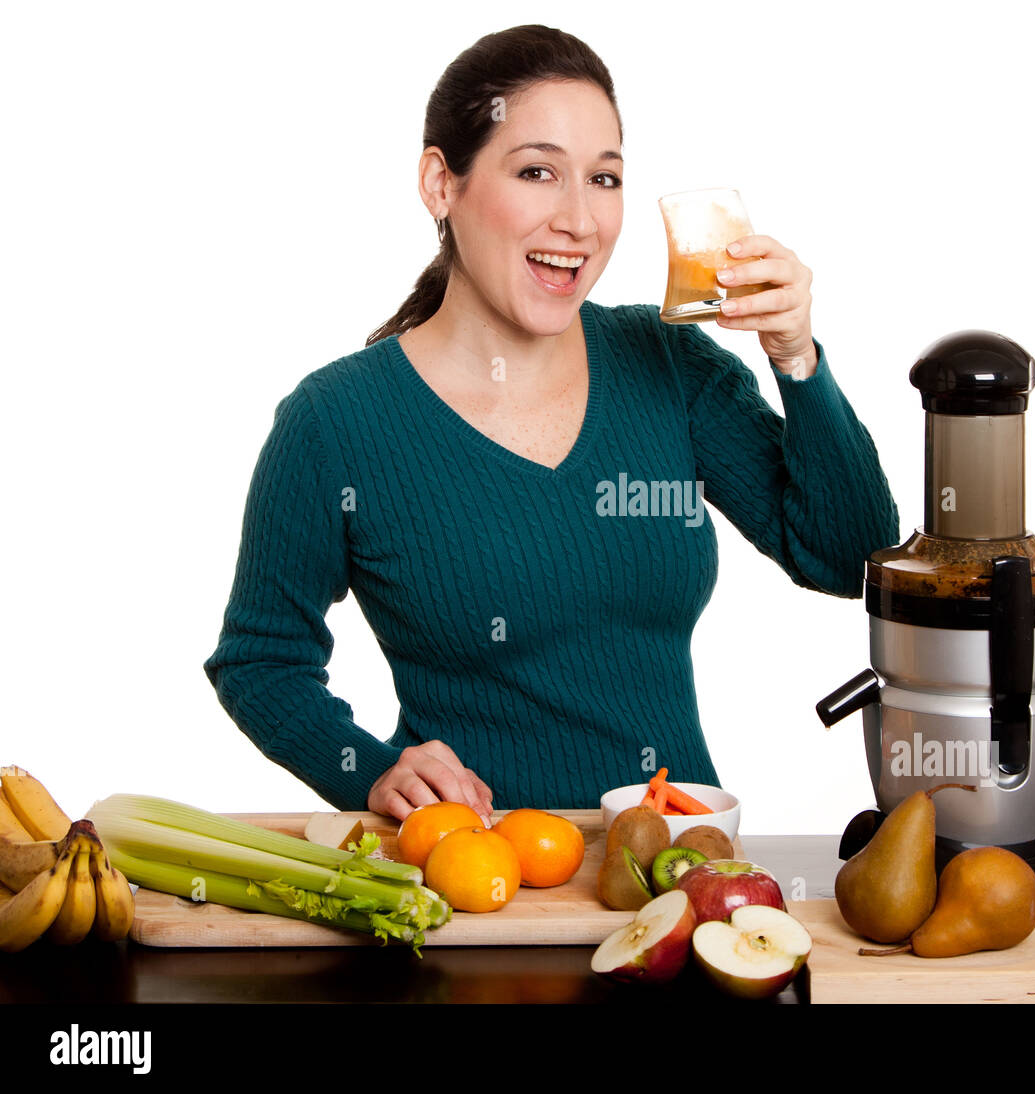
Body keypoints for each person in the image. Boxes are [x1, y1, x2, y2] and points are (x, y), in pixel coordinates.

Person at [202, 24, 899, 825]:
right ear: (441, 183)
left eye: (605, 180)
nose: (579, 220)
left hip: (679, 867)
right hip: (475, 880)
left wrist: (796, 356)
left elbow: (853, 561)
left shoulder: (669, 363)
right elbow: (261, 659)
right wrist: (368, 769)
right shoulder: (335, 423)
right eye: (537, 172)